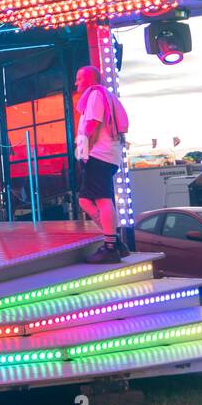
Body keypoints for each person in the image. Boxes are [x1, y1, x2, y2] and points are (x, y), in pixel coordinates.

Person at [74, 65, 130, 262]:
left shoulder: (95, 95)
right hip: (107, 155)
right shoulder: (104, 95)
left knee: (102, 199)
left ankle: (110, 246)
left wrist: (83, 150)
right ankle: (113, 239)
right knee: (85, 200)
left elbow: (92, 123)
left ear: (89, 79)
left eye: (79, 79)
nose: (76, 83)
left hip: (99, 154)